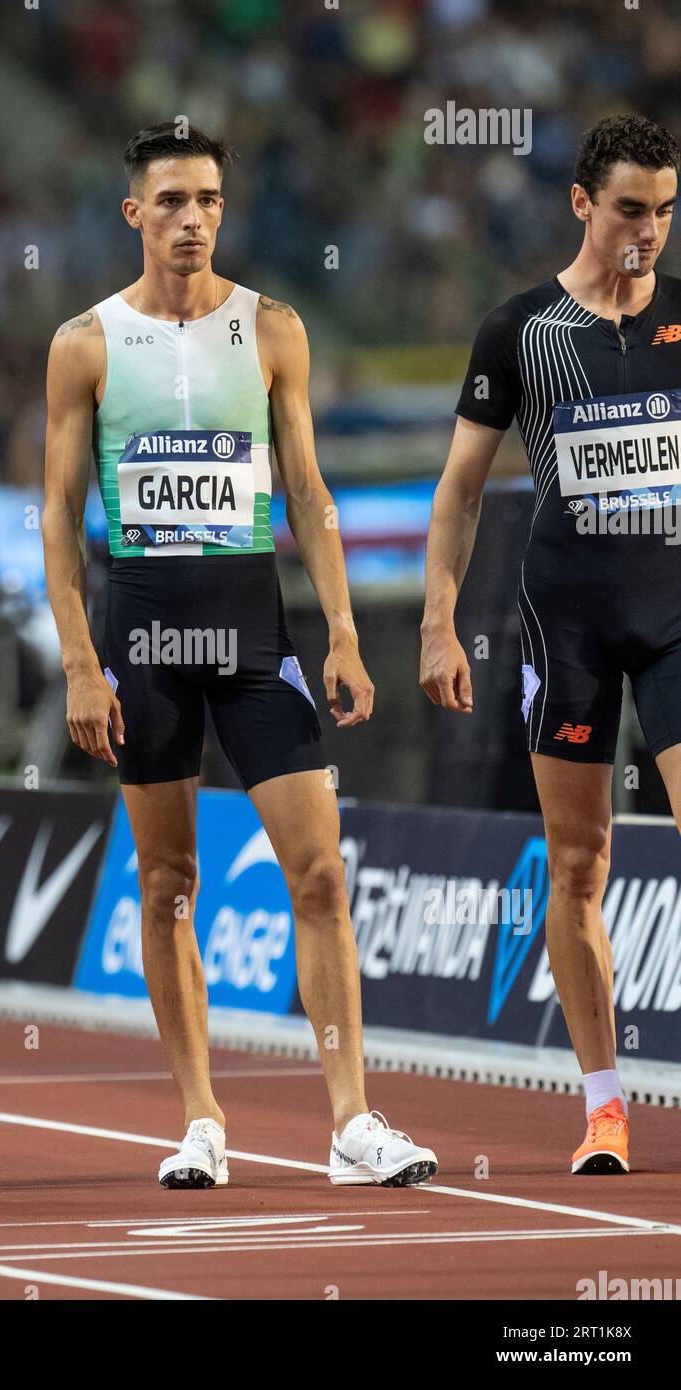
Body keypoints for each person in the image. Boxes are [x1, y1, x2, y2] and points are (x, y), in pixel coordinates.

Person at [43, 122, 437, 1189]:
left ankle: (351, 1122)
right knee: (168, 880)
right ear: (134, 213)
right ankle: (202, 1121)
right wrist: (81, 658)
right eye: (170, 200)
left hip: (254, 631)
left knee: (317, 874)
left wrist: (345, 628)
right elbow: (57, 514)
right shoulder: (83, 342)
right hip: (143, 633)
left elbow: (307, 494)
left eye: (208, 199)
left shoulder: (272, 329)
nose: (191, 218)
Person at [421, 114, 681, 1175]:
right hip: (563, 617)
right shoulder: (517, 329)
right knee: (578, 862)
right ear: (580, 203)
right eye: (628, 209)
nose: (646, 233)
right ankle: (603, 1105)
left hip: (672, 616)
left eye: (664, 212)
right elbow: (459, 490)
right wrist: (437, 620)